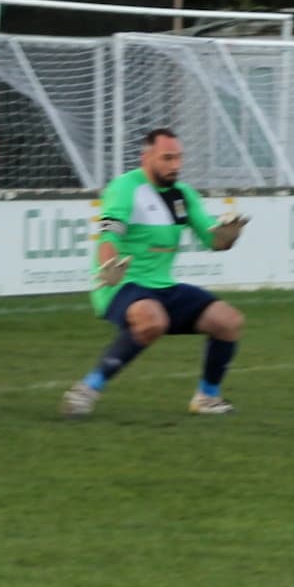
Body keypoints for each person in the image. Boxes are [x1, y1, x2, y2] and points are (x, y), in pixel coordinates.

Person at [60, 128, 251, 418]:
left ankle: (207, 398)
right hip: (120, 282)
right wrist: (109, 266)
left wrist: (229, 234)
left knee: (229, 321)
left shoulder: (183, 195)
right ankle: (87, 389)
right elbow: (108, 234)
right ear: (146, 157)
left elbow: (214, 241)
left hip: (162, 288)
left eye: (179, 158)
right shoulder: (125, 188)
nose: (175, 165)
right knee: (152, 320)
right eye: (167, 158)